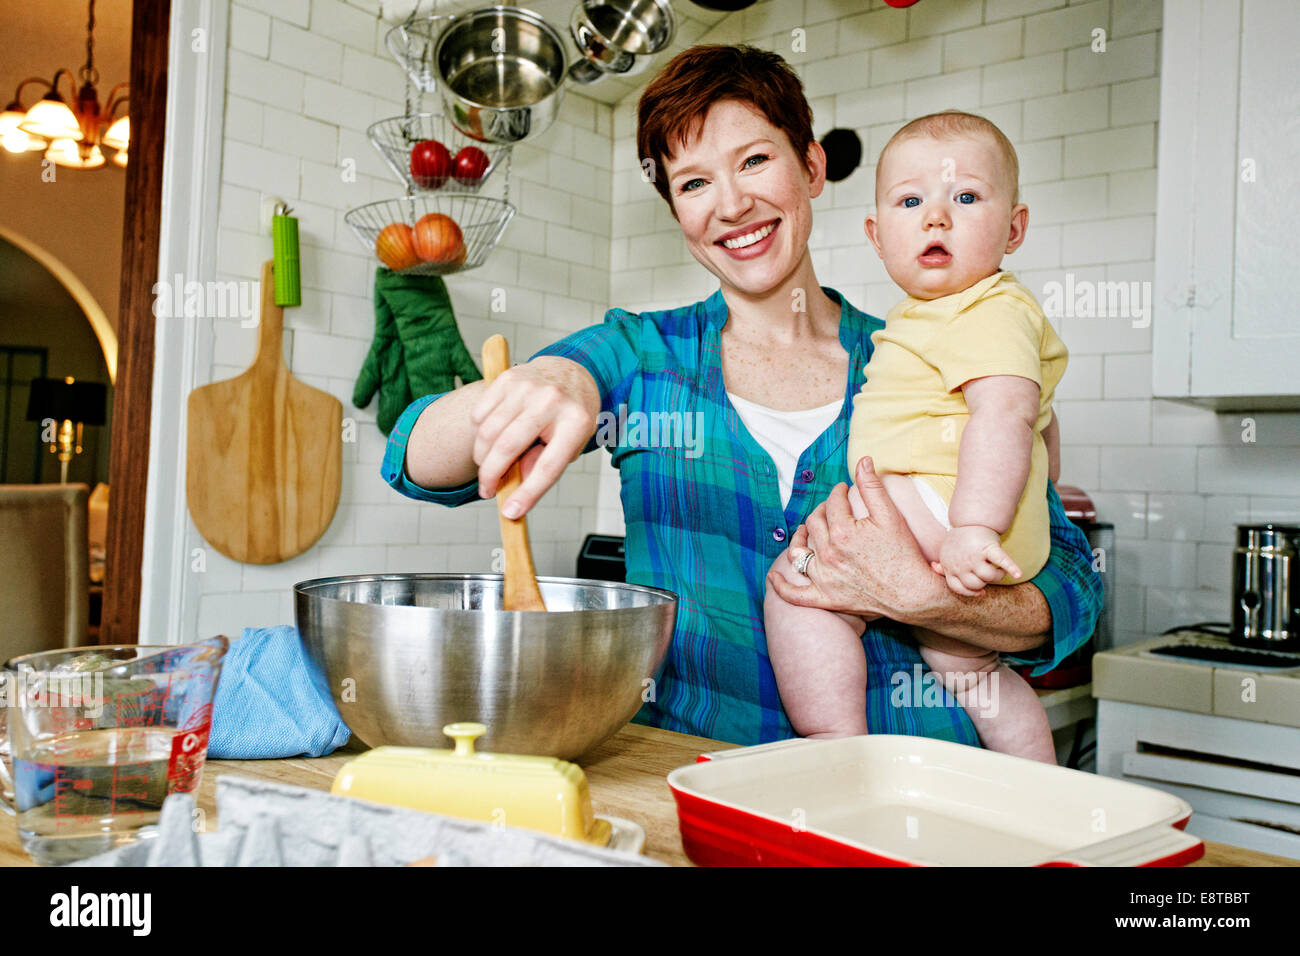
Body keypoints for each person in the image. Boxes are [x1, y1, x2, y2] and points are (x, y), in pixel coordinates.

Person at [381, 45, 1103, 748]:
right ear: (676, 211)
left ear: (812, 166)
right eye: (693, 184)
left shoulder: (934, 359)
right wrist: (552, 379)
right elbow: (414, 454)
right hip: (699, 785)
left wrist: (926, 600)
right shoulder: (642, 357)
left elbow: (1068, 592)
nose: (732, 204)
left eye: (754, 160)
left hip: (923, 798)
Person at [764, 111, 1066, 763]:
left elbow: (1007, 416)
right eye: (911, 201)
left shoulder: (983, 308)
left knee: (799, 584)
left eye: (965, 197)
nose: (936, 217)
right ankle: (1040, 787)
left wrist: (976, 527)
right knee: (977, 672)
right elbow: (1043, 425)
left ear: (1014, 229)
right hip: (970, 521)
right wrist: (1021, 511)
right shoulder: (952, 316)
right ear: (878, 235)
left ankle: (837, 745)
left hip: (947, 514)